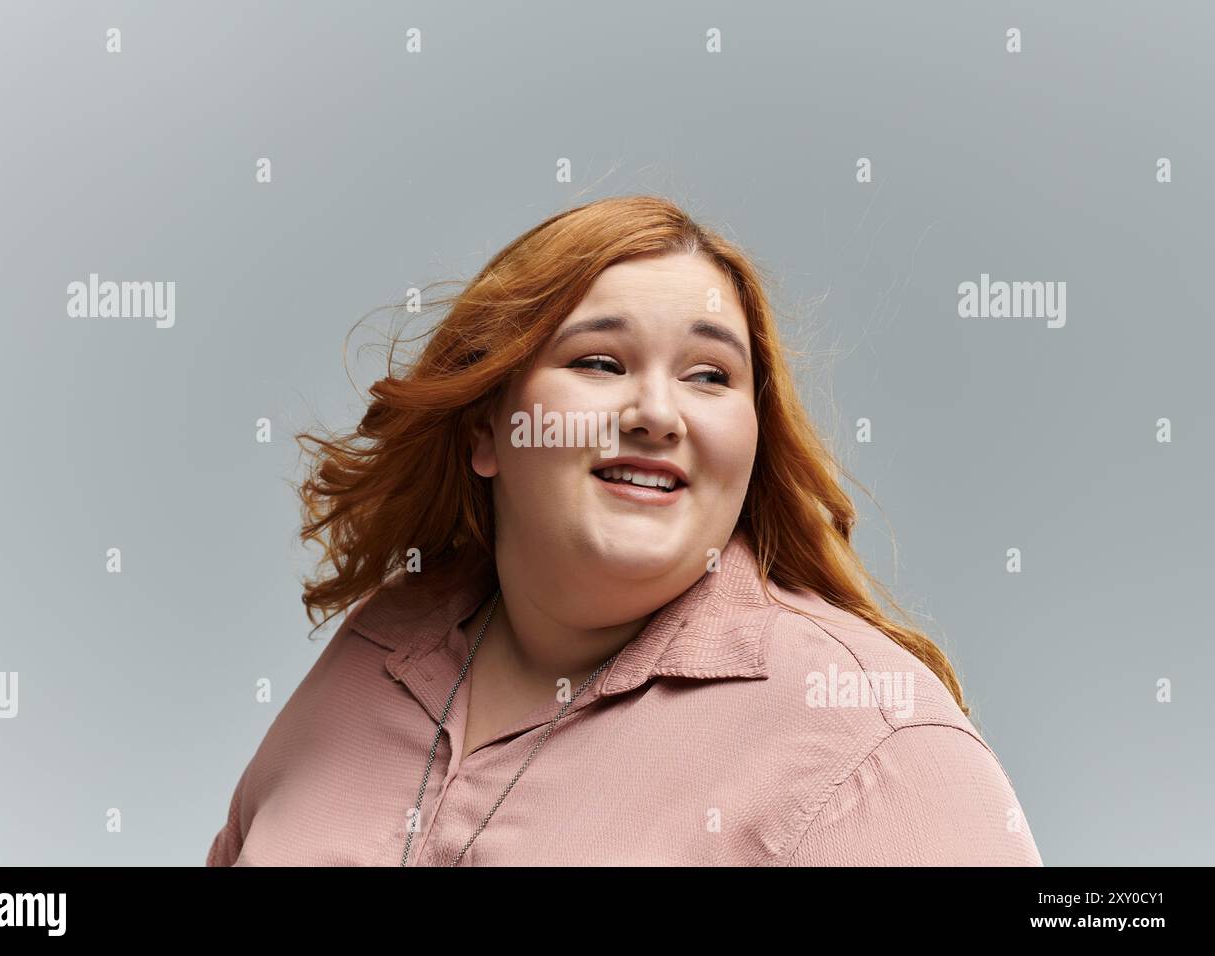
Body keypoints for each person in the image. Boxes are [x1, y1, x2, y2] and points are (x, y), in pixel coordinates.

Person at [205, 195, 1043, 866]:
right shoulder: (379, 650)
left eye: (710, 375)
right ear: (486, 430)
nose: (655, 413)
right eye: (601, 361)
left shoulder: (875, 740)